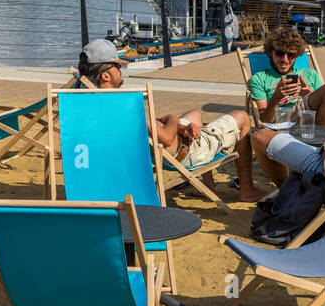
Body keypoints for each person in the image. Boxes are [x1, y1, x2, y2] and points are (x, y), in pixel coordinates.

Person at [77, 39, 263, 202]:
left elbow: (149, 129)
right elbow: (166, 138)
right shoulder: (126, 106)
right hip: (188, 153)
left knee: (195, 115)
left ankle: (207, 185)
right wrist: (172, 119)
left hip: (174, 147)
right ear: (105, 75)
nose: (120, 69)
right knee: (243, 117)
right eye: (117, 66)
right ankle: (247, 190)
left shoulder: (98, 106)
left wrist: (176, 125)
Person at [247, 27, 325, 194]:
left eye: (290, 55)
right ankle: (298, 186)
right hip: (281, 122)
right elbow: (264, 121)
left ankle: (323, 156)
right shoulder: (259, 78)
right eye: (279, 53)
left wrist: (310, 96)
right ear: (270, 52)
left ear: (296, 56)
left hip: (308, 117)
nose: (285, 59)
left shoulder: (309, 74)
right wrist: (275, 99)